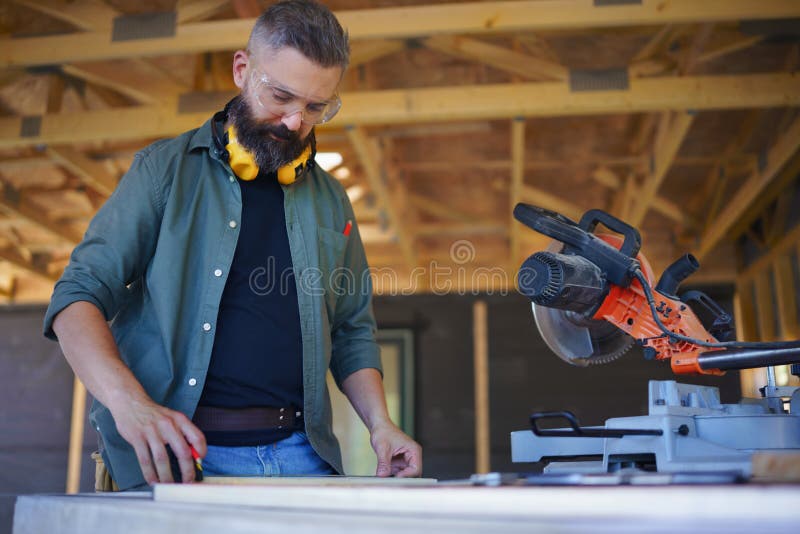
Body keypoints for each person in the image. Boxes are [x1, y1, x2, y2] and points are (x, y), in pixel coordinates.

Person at [43, 0, 421, 491]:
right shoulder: (164, 171)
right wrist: (129, 404)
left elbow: (352, 331)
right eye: (281, 96)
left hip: (302, 457)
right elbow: (76, 296)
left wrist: (380, 425)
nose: (294, 122)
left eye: (315, 107)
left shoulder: (332, 201)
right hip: (177, 460)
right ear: (243, 70)